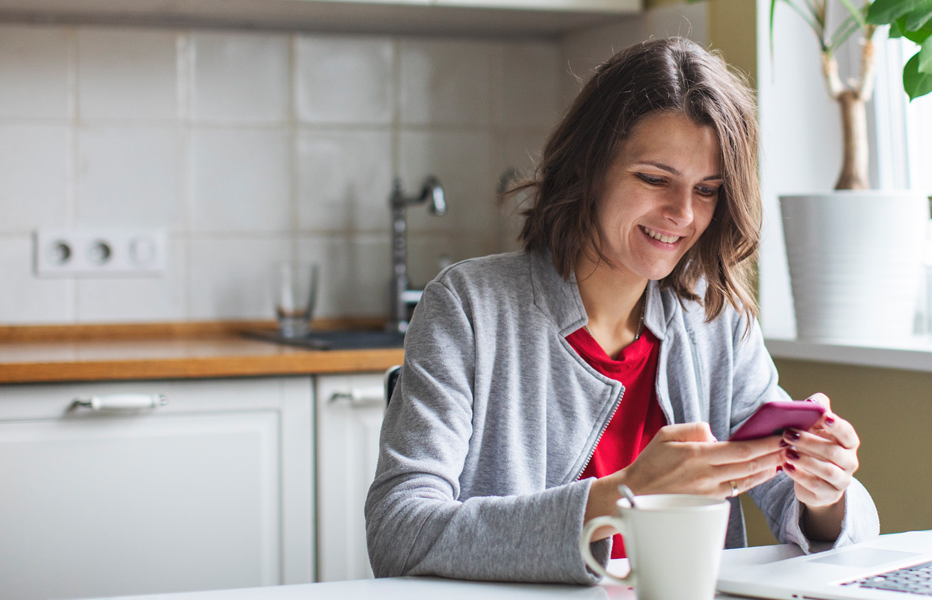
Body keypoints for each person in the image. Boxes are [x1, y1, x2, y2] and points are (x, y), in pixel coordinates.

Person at [365, 36, 878, 584]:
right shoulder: (468, 308)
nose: (683, 214)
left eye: (707, 189)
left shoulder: (713, 320)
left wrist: (826, 493)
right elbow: (400, 531)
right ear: (589, 168)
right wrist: (626, 494)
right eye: (655, 179)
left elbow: (844, 526)